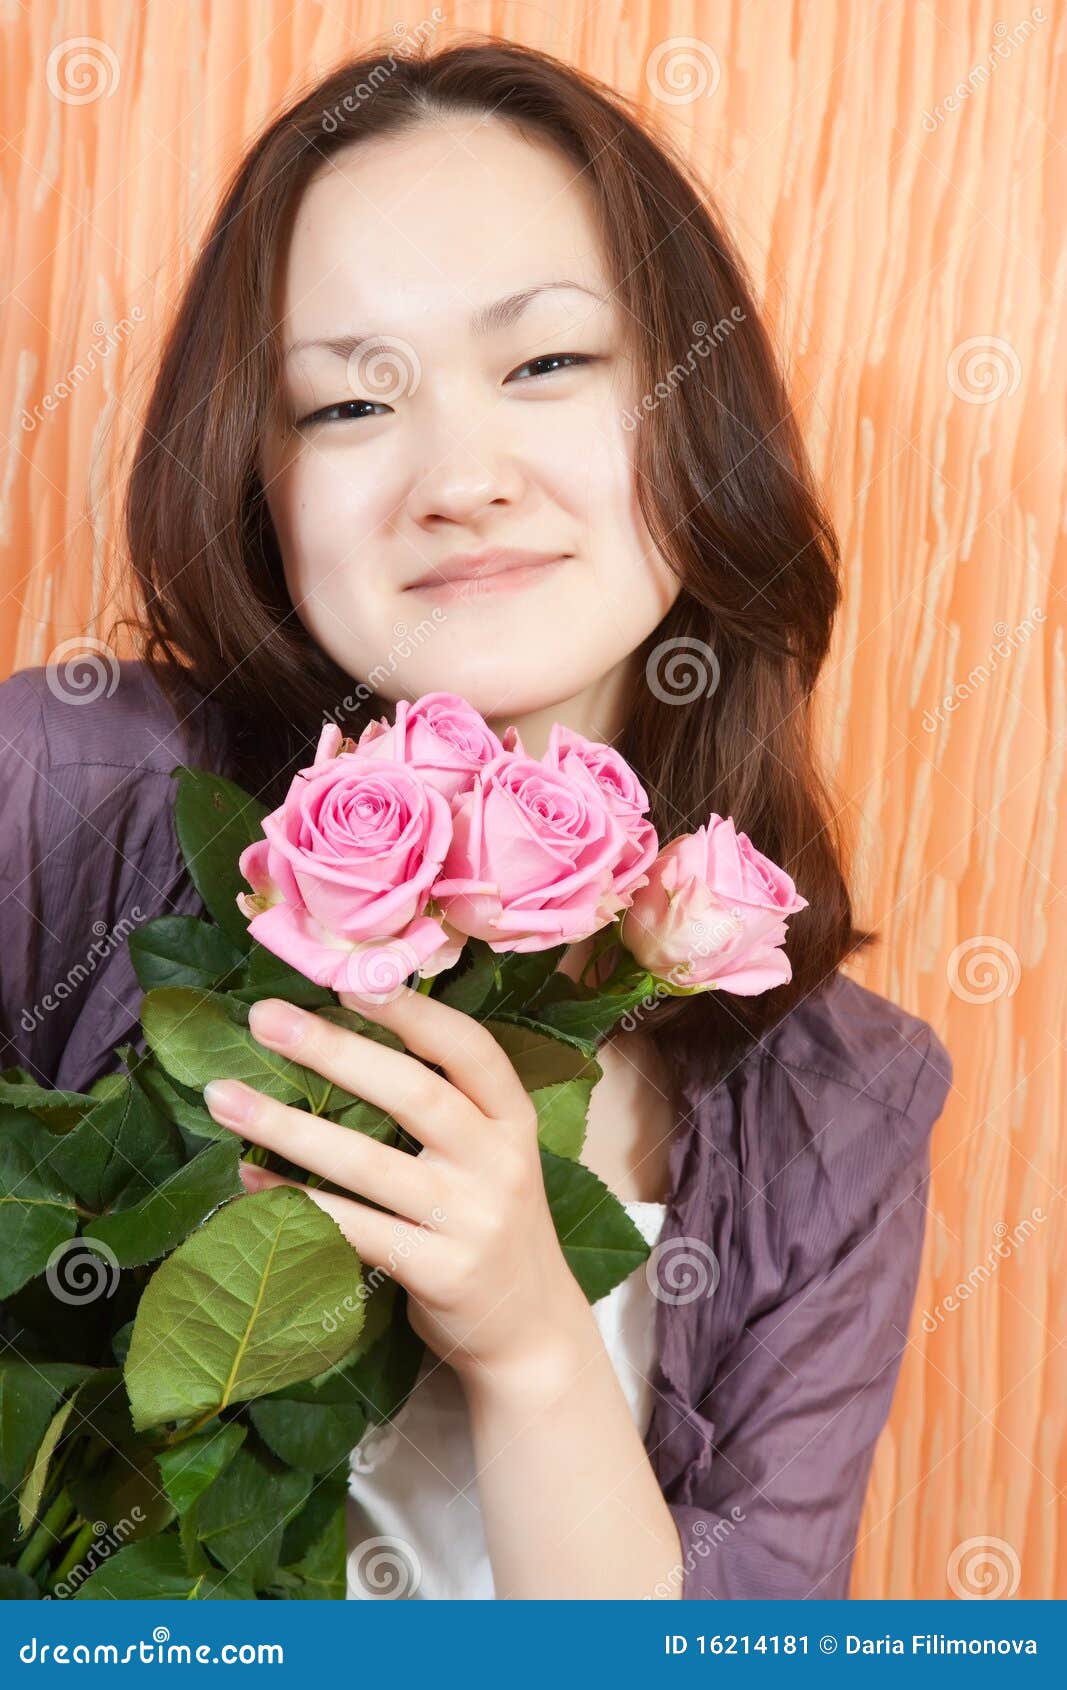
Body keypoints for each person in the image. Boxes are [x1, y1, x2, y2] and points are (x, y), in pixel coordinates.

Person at [0, 40, 952, 1600]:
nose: (459, 475)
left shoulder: (841, 1103)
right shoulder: (65, 790)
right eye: (348, 400)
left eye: (547, 365)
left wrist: (528, 1339)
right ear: (263, 485)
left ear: (689, 409)